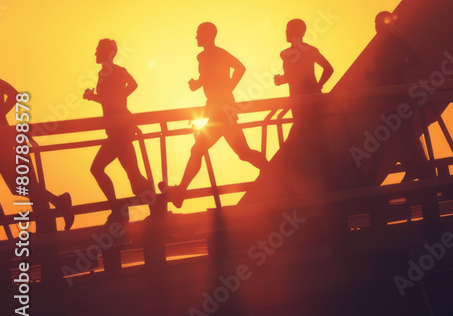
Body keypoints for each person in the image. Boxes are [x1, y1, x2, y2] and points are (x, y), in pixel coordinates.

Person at [162, 23, 267, 208]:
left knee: (199, 149)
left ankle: (180, 193)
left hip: (223, 110)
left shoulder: (220, 53)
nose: (195, 37)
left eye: (198, 34)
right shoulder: (201, 57)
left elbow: (240, 68)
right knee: (243, 152)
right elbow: (208, 76)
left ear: (208, 35)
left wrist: (228, 88)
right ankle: (272, 172)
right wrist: (197, 84)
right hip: (216, 109)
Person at [83, 39, 152, 222]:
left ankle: (117, 211)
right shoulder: (111, 72)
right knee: (133, 175)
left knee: (97, 169)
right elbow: (119, 94)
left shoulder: (112, 72)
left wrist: (94, 97)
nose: (95, 53)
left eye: (98, 50)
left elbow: (115, 97)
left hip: (119, 131)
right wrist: (96, 98)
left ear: (106, 53)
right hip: (118, 129)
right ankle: (156, 204)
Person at [1, 77, 74, 230]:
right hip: (4, 138)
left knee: (19, 185)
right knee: (18, 186)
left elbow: (14, 95)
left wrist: (1, 113)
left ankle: (57, 205)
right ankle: (58, 202)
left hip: (3, 139)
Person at [368, 11, 429, 181]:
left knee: (388, 136)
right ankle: (421, 171)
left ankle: (370, 180)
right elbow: (411, 61)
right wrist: (378, 75)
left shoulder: (393, 43)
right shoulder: (384, 44)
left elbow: (415, 60)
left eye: (377, 23)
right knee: (402, 136)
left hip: (397, 97)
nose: (375, 27)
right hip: (391, 96)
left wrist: (395, 72)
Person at [273, 19, 334, 132]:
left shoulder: (286, 55)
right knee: (315, 132)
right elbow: (328, 69)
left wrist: (279, 80)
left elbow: (292, 76)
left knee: (302, 133)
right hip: (312, 98)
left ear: (298, 31)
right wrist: (318, 86)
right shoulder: (311, 50)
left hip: (299, 100)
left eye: (289, 29)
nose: (286, 32)